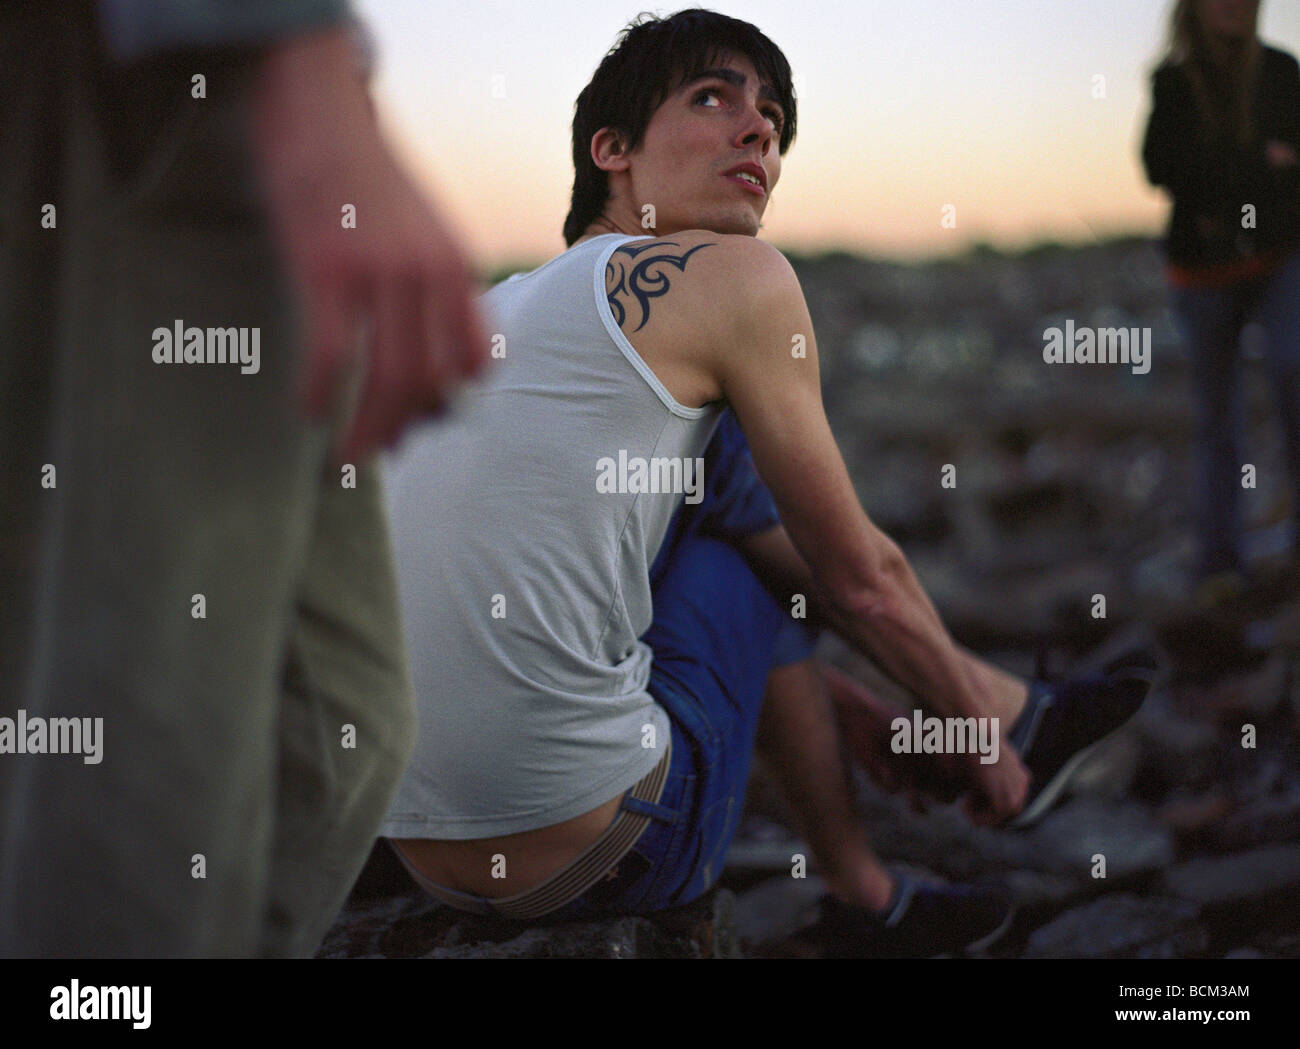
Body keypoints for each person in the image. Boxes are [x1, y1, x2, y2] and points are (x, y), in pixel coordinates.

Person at [381, 8, 1149, 957]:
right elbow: (858, 575)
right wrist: (973, 737)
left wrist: (837, 700)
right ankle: (903, 845)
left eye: (775, 122)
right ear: (610, 148)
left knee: (703, 492)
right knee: (743, 547)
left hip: (420, 851)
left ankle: (984, 722)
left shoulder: (482, 318)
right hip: (602, 852)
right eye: (715, 98)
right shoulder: (735, 276)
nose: (760, 133)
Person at [0, 1, 489, 957]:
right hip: (150, 73)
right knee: (139, 765)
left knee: (341, 726)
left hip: (217, 79)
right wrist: (291, 44)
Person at [1142, 0, 1300, 603]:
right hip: (1202, 275)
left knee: (1293, 374)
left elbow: (1197, 175)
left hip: (1279, 258)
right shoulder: (1174, 81)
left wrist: (1218, 178)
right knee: (1218, 421)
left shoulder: (1282, 72)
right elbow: (1161, 167)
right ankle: (1218, 566)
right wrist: (1261, 162)